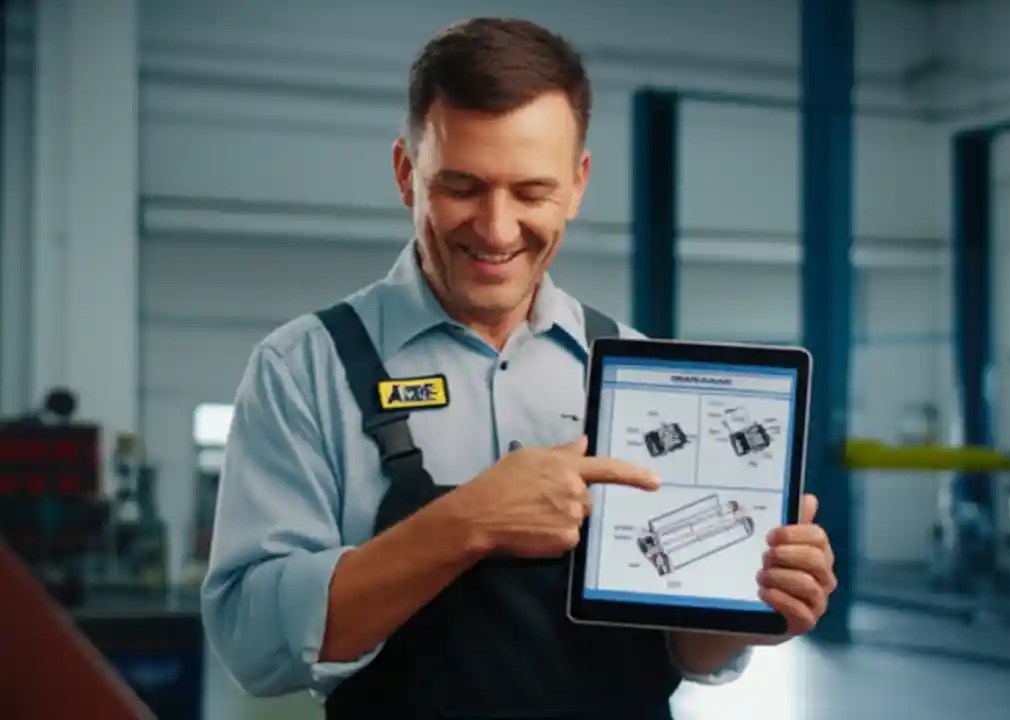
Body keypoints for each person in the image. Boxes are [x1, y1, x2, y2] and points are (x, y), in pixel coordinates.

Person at [200, 17, 837, 720]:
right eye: (463, 186)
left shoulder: (635, 374)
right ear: (407, 173)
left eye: (532, 192)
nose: (497, 229)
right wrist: (470, 521)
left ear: (578, 183)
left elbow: (684, 649)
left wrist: (756, 602)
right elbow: (252, 645)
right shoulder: (305, 370)